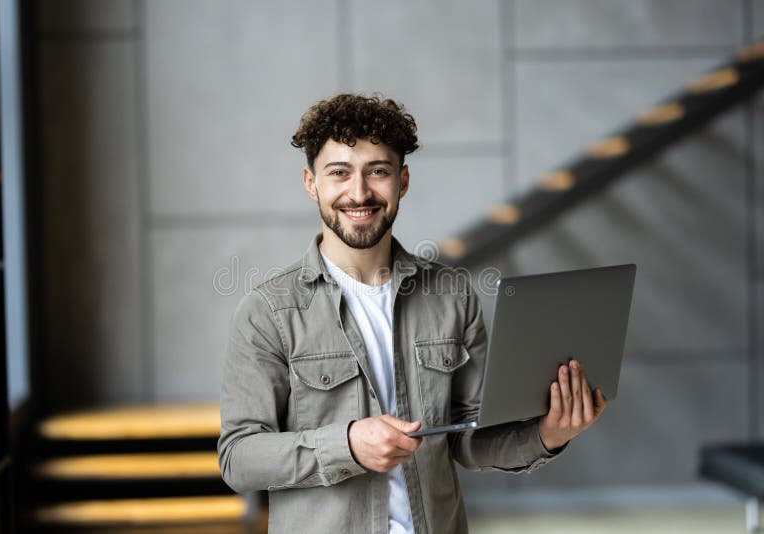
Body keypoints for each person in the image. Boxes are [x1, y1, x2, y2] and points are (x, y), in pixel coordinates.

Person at [218, 93, 607, 534]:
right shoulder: (267, 312)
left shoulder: (452, 296)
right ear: (312, 183)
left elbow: (467, 439)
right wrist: (346, 445)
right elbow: (238, 458)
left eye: (377, 171)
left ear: (402, 181)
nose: (359, 192)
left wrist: (549, 434)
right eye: (339, 173)